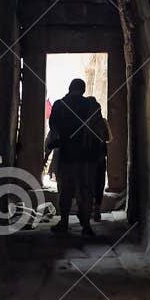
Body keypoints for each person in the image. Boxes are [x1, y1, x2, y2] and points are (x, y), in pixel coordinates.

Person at [48, 79, 106, 237]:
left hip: (66, 154)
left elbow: (53, 129)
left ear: (69, 88)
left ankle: (64, 222)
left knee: (65, 190)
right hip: (87, 156)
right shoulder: (92, 105)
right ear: (83, 90)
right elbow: (99, 130)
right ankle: (86, 225)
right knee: (85, 190)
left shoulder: (59, 105)